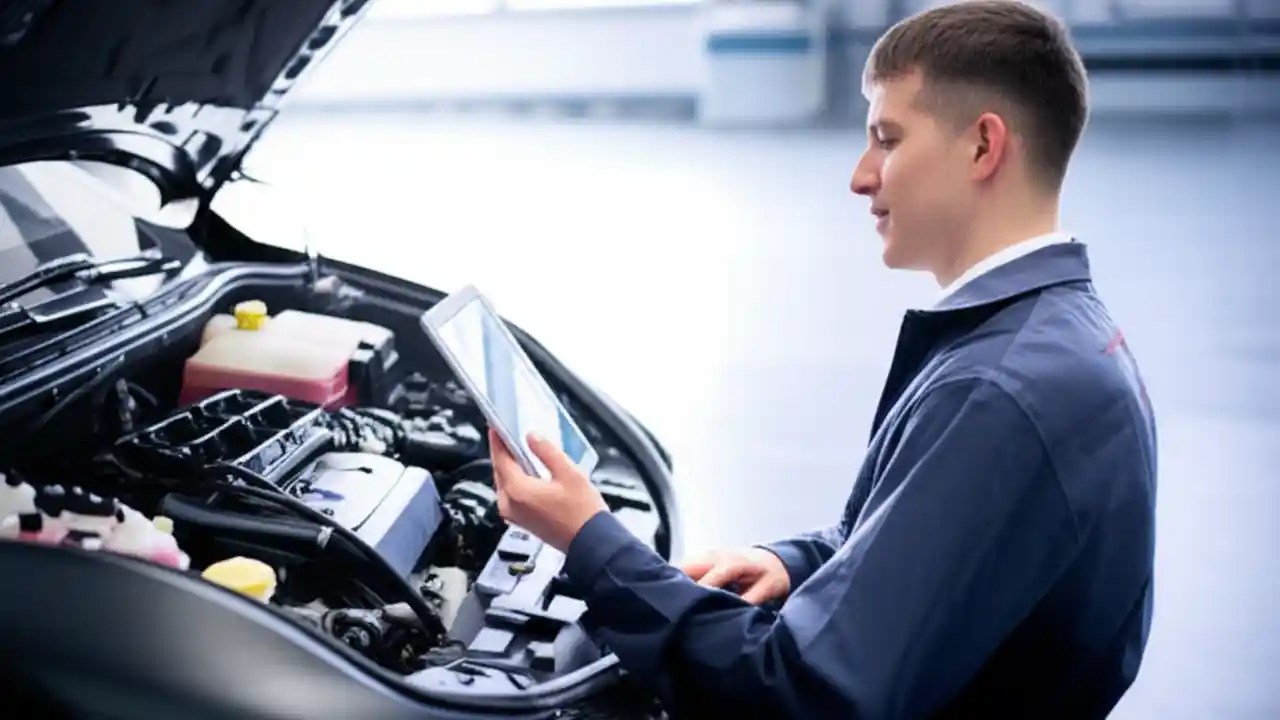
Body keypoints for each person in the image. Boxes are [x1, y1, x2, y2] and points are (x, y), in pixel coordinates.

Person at [487, 1, 1158, 717]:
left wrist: (591, 542)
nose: (861, 176)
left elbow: (803, 695)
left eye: (887, 139)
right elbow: (946, 556)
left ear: (983, 147)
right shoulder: (1058, 337)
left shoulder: (995, 392)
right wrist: (795, 562)